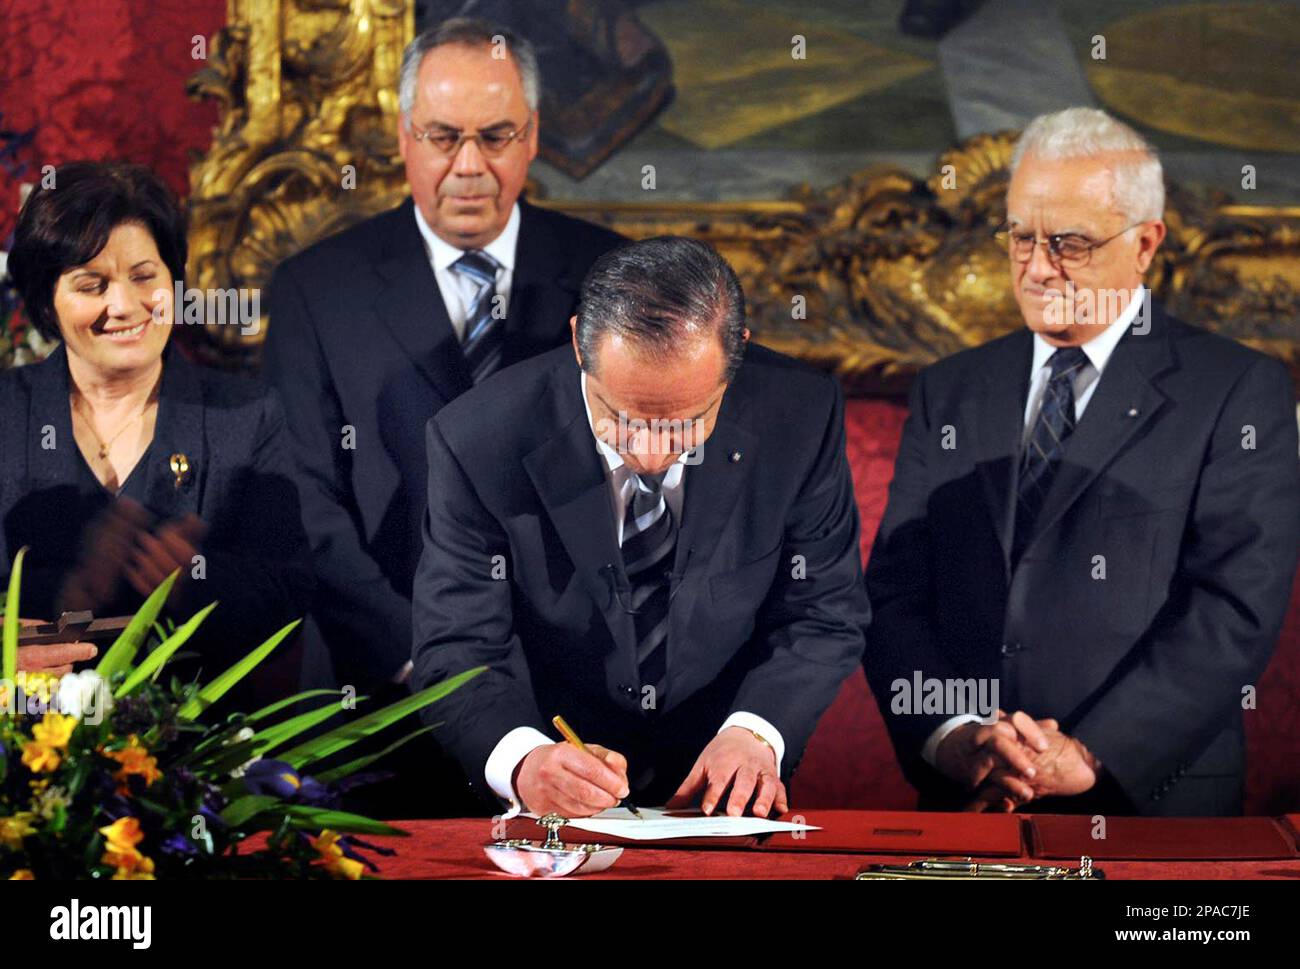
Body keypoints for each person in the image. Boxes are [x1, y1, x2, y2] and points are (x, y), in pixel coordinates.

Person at [863, 107, 1300, 816]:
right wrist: (951, 734)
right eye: (1021, 237)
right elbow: (896, 593)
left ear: (1146, 243)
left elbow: (1233, 605)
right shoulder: (952, 387)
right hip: (972, 808)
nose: (1037, 268)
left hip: (1150, 807)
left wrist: (1092, 752)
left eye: (1068, 243)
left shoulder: (1235, 389)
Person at [410, 236, 871, 818]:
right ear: (580, 343)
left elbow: (824, 610)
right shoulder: (478, 438)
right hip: (551, 796)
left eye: (686, 423)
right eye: (622, 419)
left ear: (737, 357)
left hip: (722, 790)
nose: (651, 455)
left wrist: (757, 732)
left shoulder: (799, 417)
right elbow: (456, 645)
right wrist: (523, 761)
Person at [263, 17, 623, 699]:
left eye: (495, 137)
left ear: (534, 135)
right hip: (385, 691)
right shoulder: (317, 288)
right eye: (442, 137)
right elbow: (303, 501)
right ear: (405, 136)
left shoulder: (610, 271)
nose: (468, 166)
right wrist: (418, 656)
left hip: (579, 691)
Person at [1, 161, 312, 702]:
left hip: (203, 754)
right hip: (28, 751)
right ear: (47, 304)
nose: (124, 306)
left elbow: (289, 598)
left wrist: (192, 577)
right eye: (91, 285)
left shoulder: (247, 415)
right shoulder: (7, 414)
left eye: (144, 277)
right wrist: (61, 601)